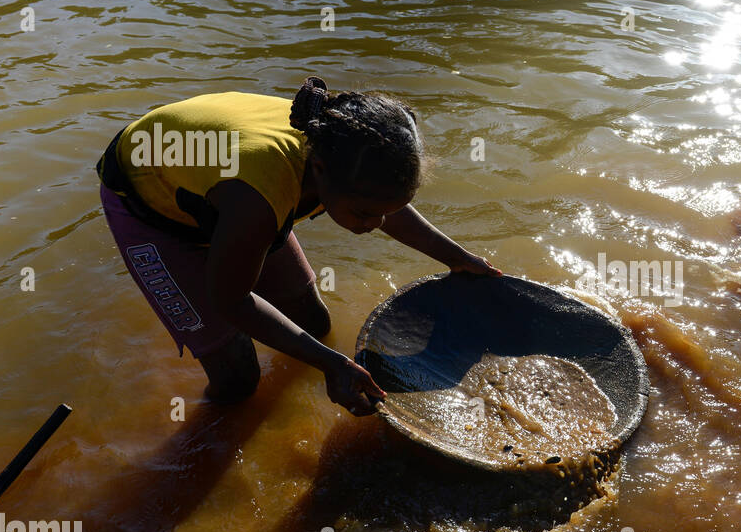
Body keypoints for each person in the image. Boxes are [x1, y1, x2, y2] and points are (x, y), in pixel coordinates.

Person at [96, 76, 500, 415]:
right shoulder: (260, 196)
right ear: (319, 172)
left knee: (313, 323)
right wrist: (330, 365)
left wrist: (458, 258)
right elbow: (230, 300)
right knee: (237, 377)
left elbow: (383, 205)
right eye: (362, 213)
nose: (373, 225)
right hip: (152, 203)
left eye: (383, 212)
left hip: (222, 181)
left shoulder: (345, 150)